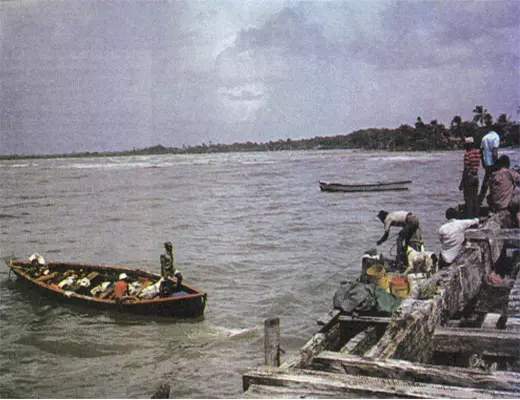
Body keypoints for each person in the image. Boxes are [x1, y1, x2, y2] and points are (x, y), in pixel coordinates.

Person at [487, 155, 520, 227]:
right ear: (507, 164)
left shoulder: (493, 175)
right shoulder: (510, 173)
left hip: (495, 206)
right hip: (505, 206)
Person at [479, 125, 501, 204]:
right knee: (495, 183)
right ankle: (495, 201)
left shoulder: (484, 137)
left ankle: (480, 200)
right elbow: (495, 152)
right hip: (494, 164)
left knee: (486, 182)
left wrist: (483, 162)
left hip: (487, 164)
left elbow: (480, 151)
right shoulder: (496, 137)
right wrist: (497, 164)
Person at [459, 136, 480, 218]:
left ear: (468, 145)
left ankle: (470, 217)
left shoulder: (467, 154)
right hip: (476, 177)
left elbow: (466, 169)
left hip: (469, 178)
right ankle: (476, 216)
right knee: (475, 197)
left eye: (466, 145)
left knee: (468, 199)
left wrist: (462, 183)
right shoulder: (477, 153)